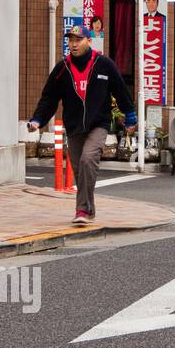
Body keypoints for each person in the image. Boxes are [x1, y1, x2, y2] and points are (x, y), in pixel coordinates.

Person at [27, 26, 137, 225]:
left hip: (99, 124)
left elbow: (121, 91)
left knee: (88, 160)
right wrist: (38, 120)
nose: (74, 44)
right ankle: (89, 209)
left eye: (78, 40)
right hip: (74, 125)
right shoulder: (62, 68)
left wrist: (130, 117)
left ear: (89, 41)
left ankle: (83, 210)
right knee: (79, 170)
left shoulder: (104, 65)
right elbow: (49, 98)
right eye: (71, 41)